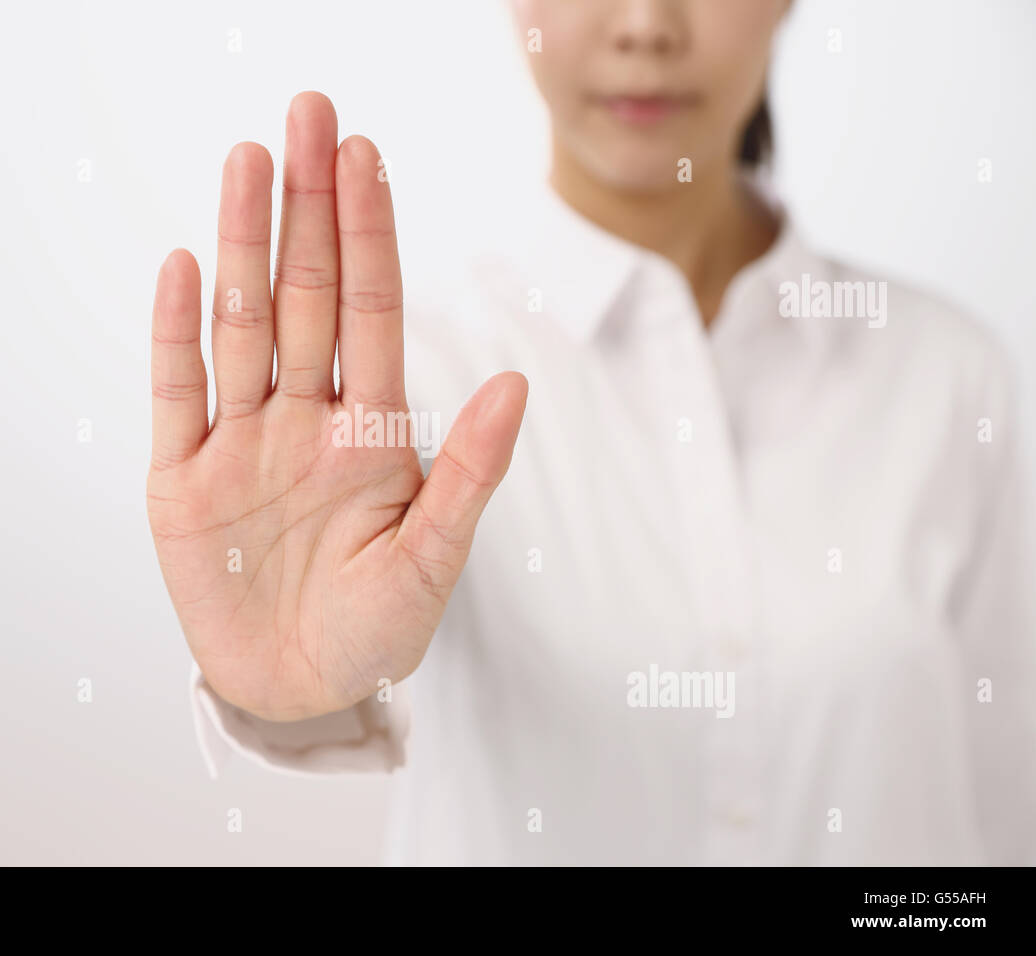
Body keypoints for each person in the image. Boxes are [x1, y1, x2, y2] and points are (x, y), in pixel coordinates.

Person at [146, 0, 1034, 865]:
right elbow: (355, 677)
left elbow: (1002, 803)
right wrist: (291, 690)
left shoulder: (950, 376)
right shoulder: (384, 397)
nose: (646, 23)